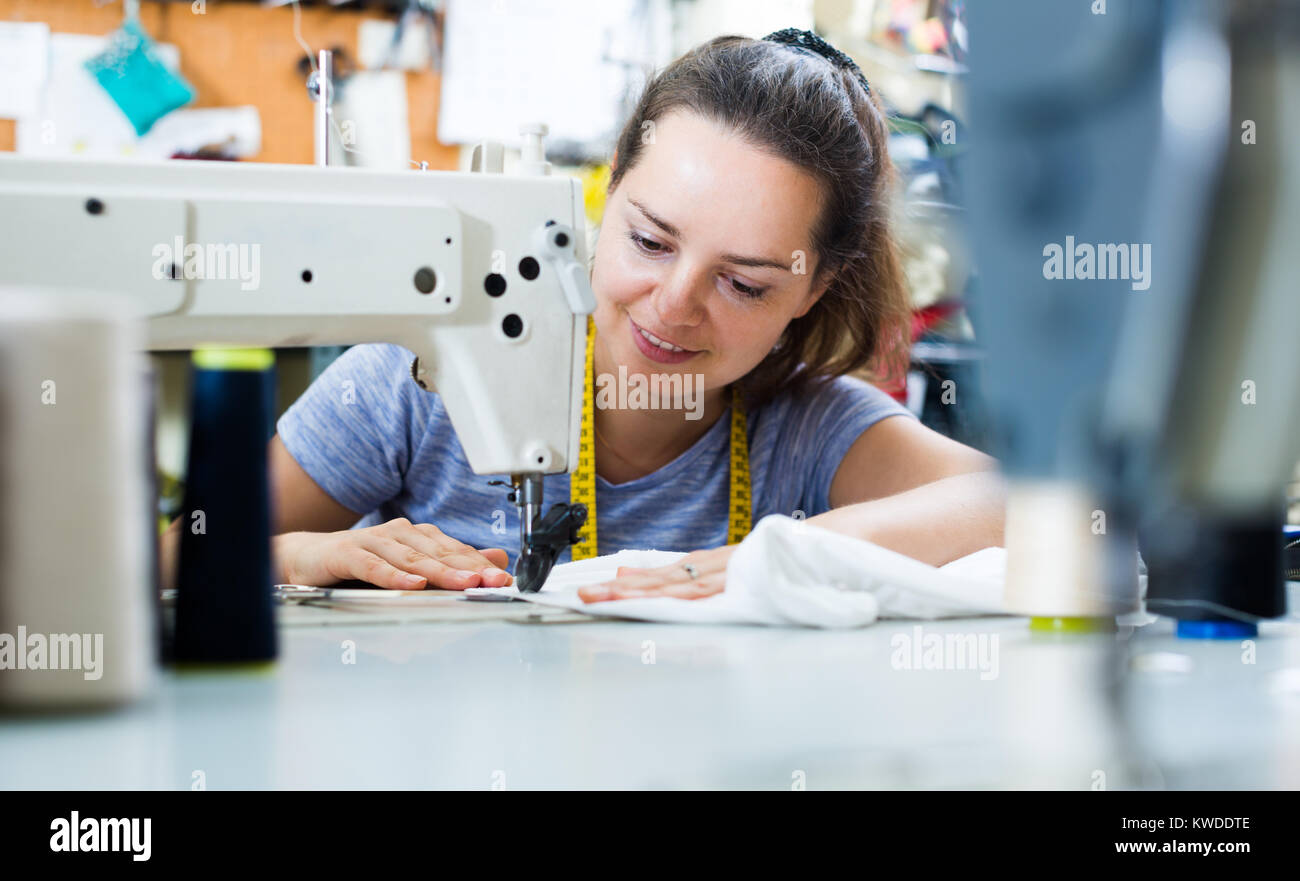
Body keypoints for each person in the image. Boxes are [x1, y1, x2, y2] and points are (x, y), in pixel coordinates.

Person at [162, 31, 1004, 600]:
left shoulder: (809, 428)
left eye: (744, 284)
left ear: (813, 291)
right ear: (602, 191)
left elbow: (1042, 509)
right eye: (648, 240)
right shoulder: (416, 381)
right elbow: (158, 559)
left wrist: (763, 562)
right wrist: (302, 556)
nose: (673, 305)